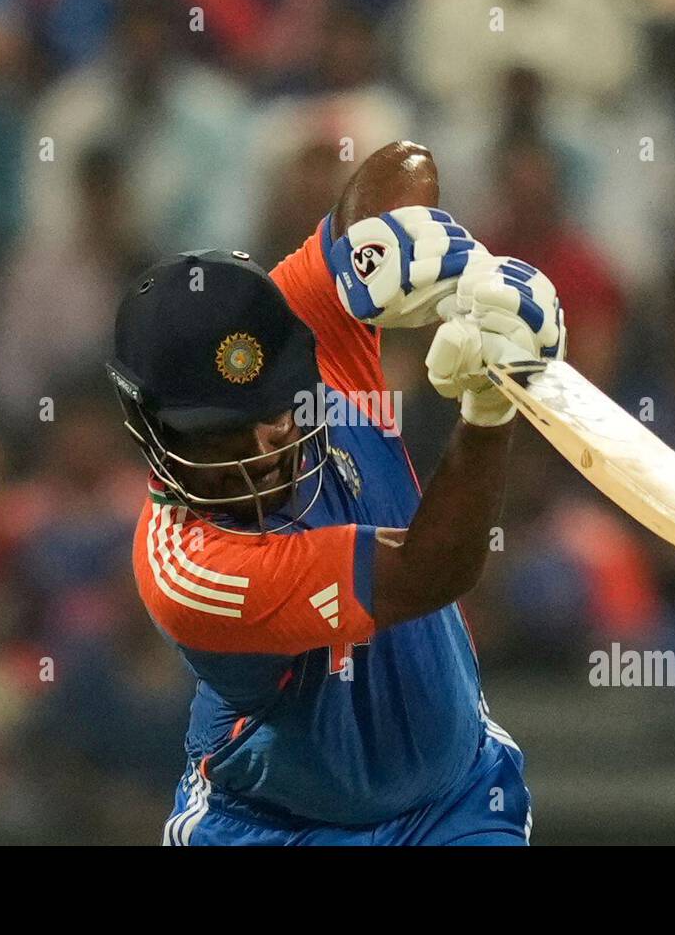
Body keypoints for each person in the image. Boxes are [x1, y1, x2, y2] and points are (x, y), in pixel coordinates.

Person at [106, 141, 563, 845]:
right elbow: (428, 572)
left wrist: (409, 258)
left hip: (456, 803)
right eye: (221, 434)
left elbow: (400, 169)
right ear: (150, 428)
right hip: (277, 827)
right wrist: (489, 404)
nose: (262, 449)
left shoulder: (301, 331)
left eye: (273, 411)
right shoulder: (189, 569)